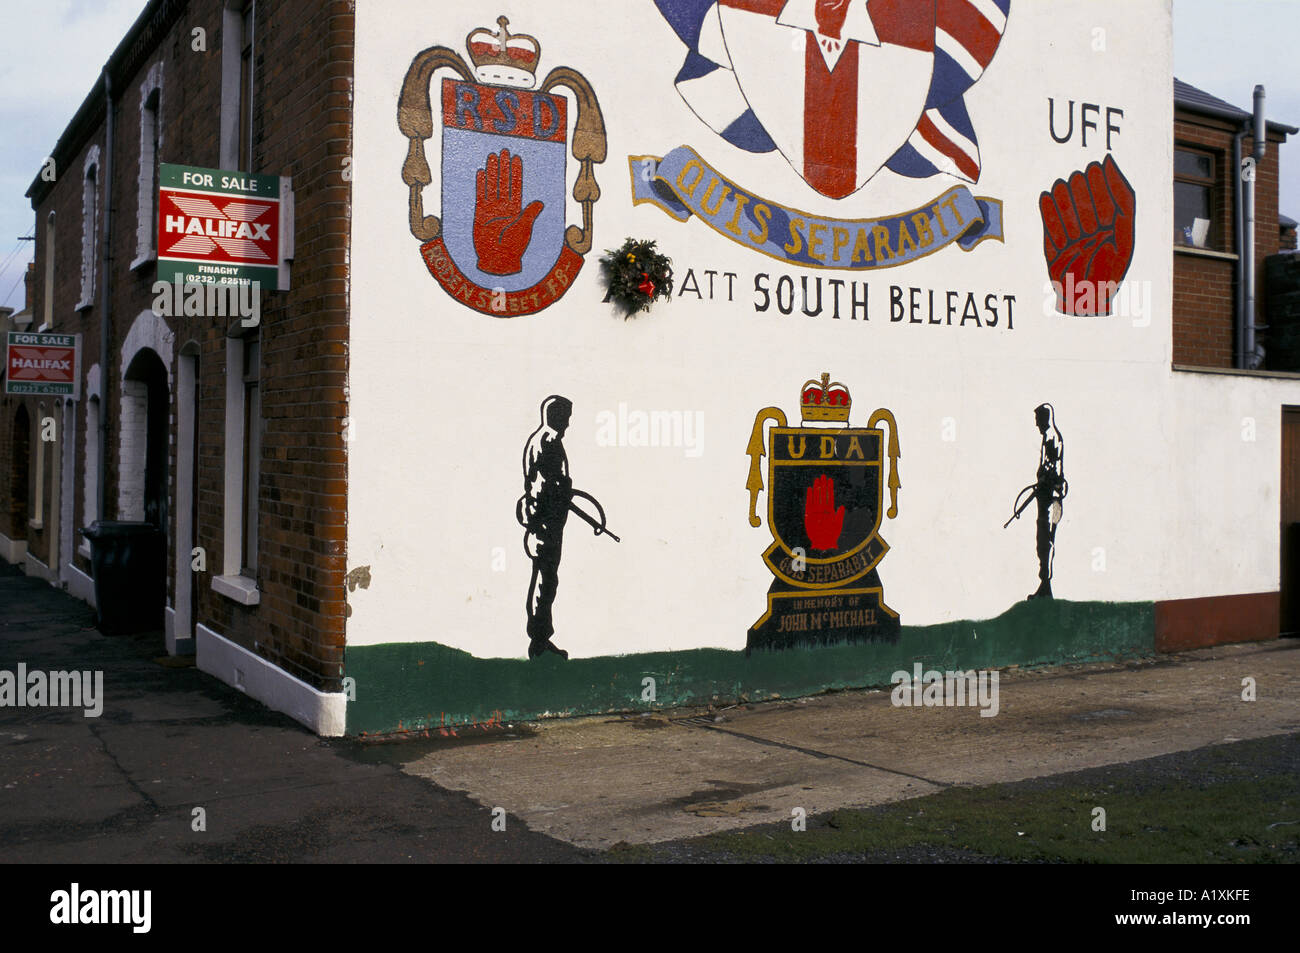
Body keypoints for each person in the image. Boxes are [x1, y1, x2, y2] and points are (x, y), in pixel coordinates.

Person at [519, 395, 574, 659]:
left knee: (546, 579)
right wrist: (559, 499)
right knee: (545, 580)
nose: (568, 423)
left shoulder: (541, 440)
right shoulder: (548, 442)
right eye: (566, 417)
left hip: (546, 521)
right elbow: (543, 485)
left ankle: (541, 638)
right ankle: (539, 641)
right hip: (545, 523)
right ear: (556, 416)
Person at [1029, 403, 1067, 600]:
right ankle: (1044, 585)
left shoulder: (1052, 437)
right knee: (1043, 540)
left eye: (1038, 419)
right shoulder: (1048, 437)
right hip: (1047, 497)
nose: (1037, 424)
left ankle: (1046, 586)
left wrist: (1044, 482)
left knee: (1046, 541)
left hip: (1051, 499)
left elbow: (1054, 470)